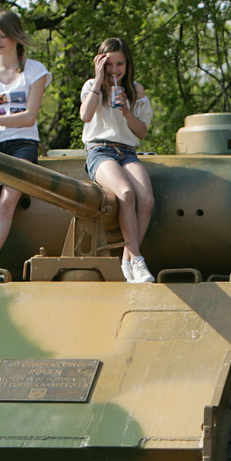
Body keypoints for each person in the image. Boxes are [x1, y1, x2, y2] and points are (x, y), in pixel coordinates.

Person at [0, 10, 51, 270]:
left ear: (15, 37)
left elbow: (28, 117)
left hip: (23, 145)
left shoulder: (35, 71)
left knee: (6, 204)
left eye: (3, 36)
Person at [79, 37, 155, 283]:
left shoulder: (136, 91)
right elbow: (85, 115)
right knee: (126, 194)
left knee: (146, 199)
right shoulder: (93, 85)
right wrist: (98, 80)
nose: (114, 70)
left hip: (127, 152)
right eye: (109, 64)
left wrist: (126, 112)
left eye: (119, 64)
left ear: (127, 64)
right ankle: (138, 260)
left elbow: (141, 132)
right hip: (99, 151)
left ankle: (126, 262)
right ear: (100, 63)